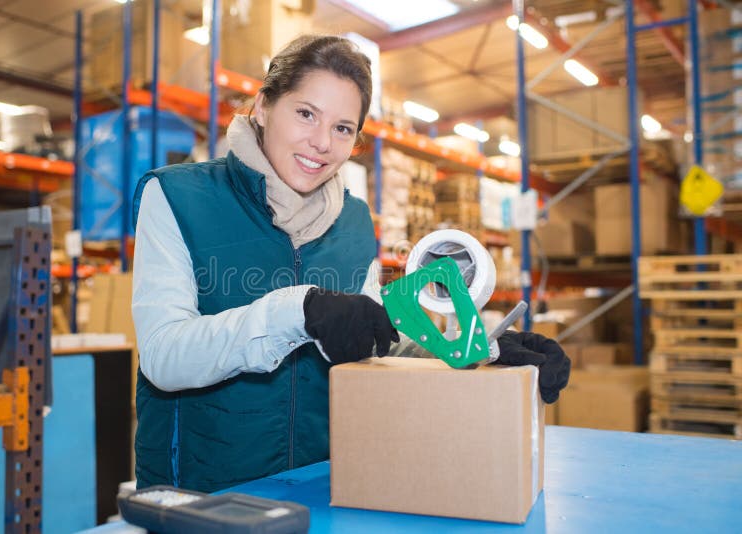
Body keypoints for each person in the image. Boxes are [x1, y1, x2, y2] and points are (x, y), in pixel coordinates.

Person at [131, 34, 570, 494]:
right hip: (201, 492)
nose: (321, 142)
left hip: (324, 483)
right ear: (261, 107)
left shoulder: (355, 220)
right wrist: (297, 312)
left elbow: (376, 343)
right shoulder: (177, 196)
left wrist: (488, 352)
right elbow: (163, 355)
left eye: (343, 128)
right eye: (305, 114)